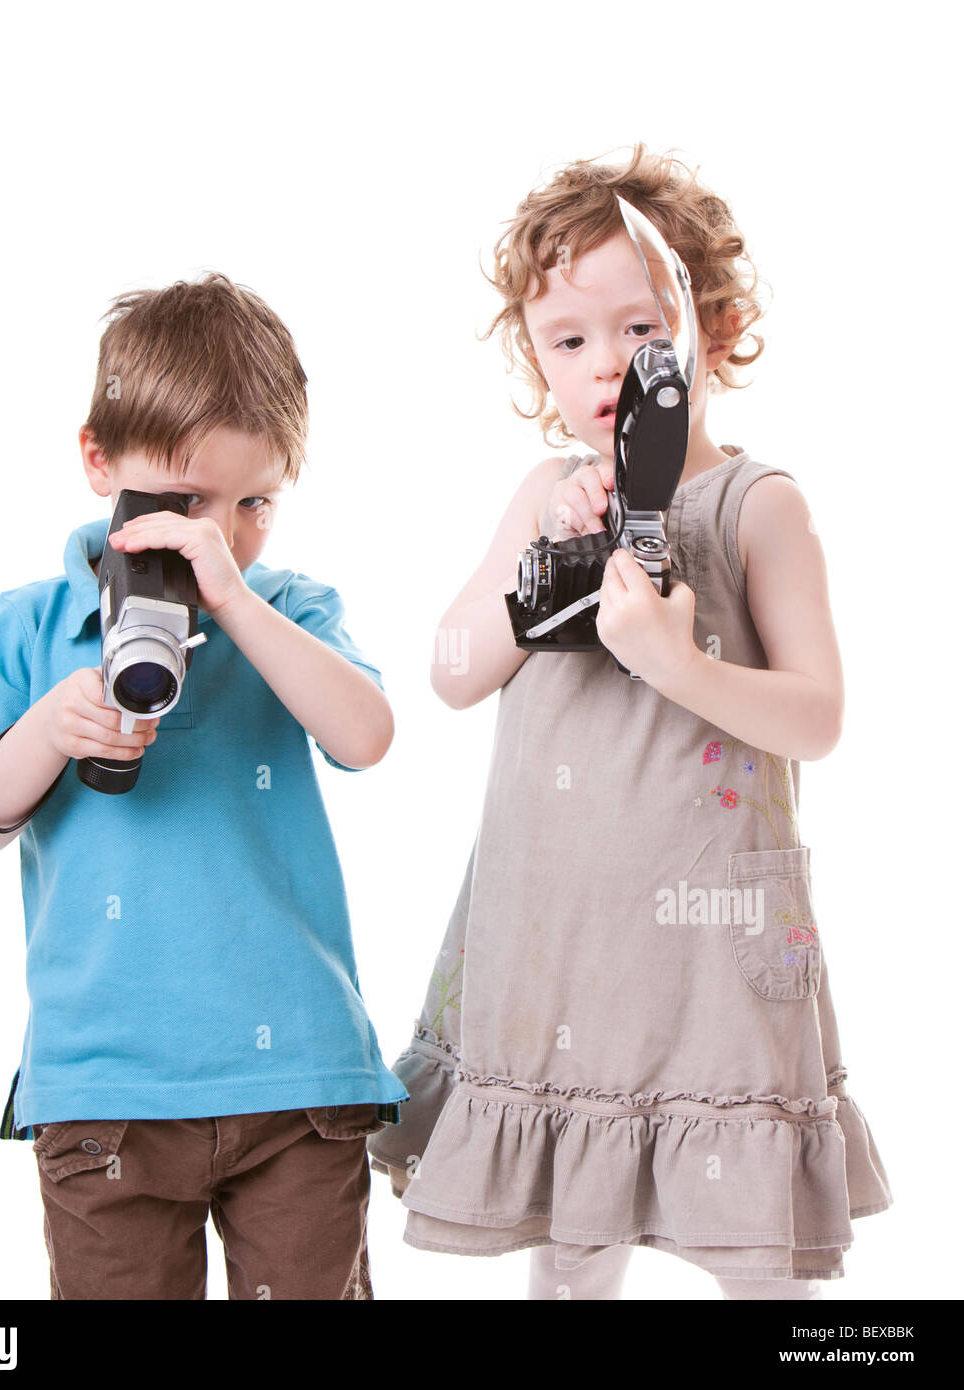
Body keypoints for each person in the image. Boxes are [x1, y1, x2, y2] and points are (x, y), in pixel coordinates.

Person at [367, 146, 892, 1299]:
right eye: (568, 339)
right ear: (534, 356)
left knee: (757, 1252)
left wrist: (672, 655)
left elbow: (819, 716)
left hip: (711, 946)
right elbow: (454, 672)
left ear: (717, 321)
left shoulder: (759, 506)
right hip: (558, 939)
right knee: (569, 1242)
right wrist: (547, 562)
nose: (605, 364)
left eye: (640, 329)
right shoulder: (541, 492)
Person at [0, 273, 406, 1300]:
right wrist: (49, 731)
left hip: (298, 1084)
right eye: (188, 502)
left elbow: (366, 735)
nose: (220, 533)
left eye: (255, 503)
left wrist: (235, 602)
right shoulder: (30, 621)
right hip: (105, 1089)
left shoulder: (289, 611)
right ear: (100, 458)